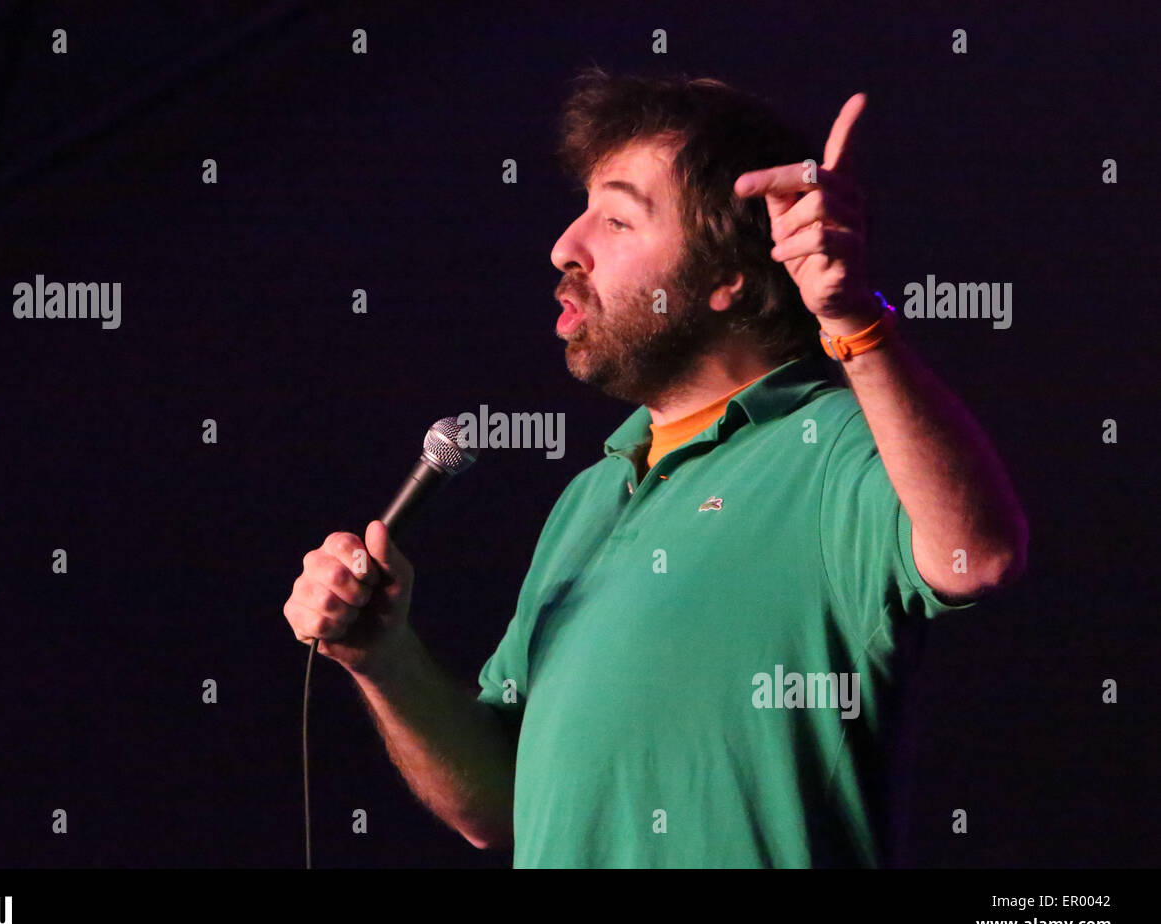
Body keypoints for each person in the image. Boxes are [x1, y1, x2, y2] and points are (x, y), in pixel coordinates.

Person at [282, 68, 1028, 867]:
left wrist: (852, 318)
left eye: (617, 219)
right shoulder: (590, 497)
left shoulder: (830, 441)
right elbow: (497, 806)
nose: (566, 246)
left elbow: (976, 556)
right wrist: (383, 658)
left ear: (727, 277)